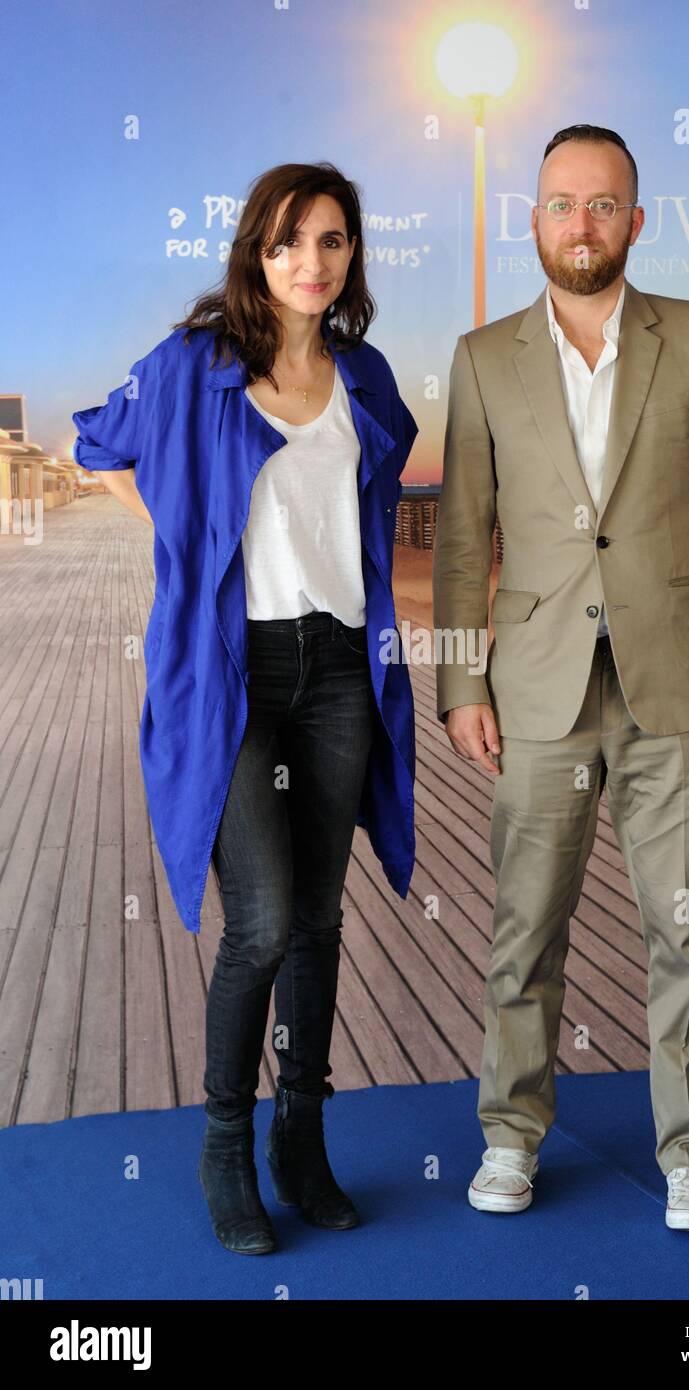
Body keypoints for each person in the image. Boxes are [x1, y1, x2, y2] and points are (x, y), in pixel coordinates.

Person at [432, 125, 689, 1232]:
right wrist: (459, 683)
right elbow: (458, 538)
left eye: (602, 204)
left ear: (635, 219)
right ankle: (508, 1134)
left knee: (687, 929)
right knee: (522, 926)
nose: (579, 223)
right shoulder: (483, 355)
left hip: (673, 678)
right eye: (559, 203)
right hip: (533, 683)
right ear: (530, 218)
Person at [72, 163, 418, 1255]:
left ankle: (299, 1138)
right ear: (253, 254)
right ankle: (225, 1142)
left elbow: (374, 503)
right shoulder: (195, 364)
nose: (307, 262)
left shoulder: (362, 376)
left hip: (337, 670)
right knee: (263, 918)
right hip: (235, 670)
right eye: (284, 243)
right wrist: (182, 539)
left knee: (319, 919)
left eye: (328, 240)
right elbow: (97, 446)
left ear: (351, 252)